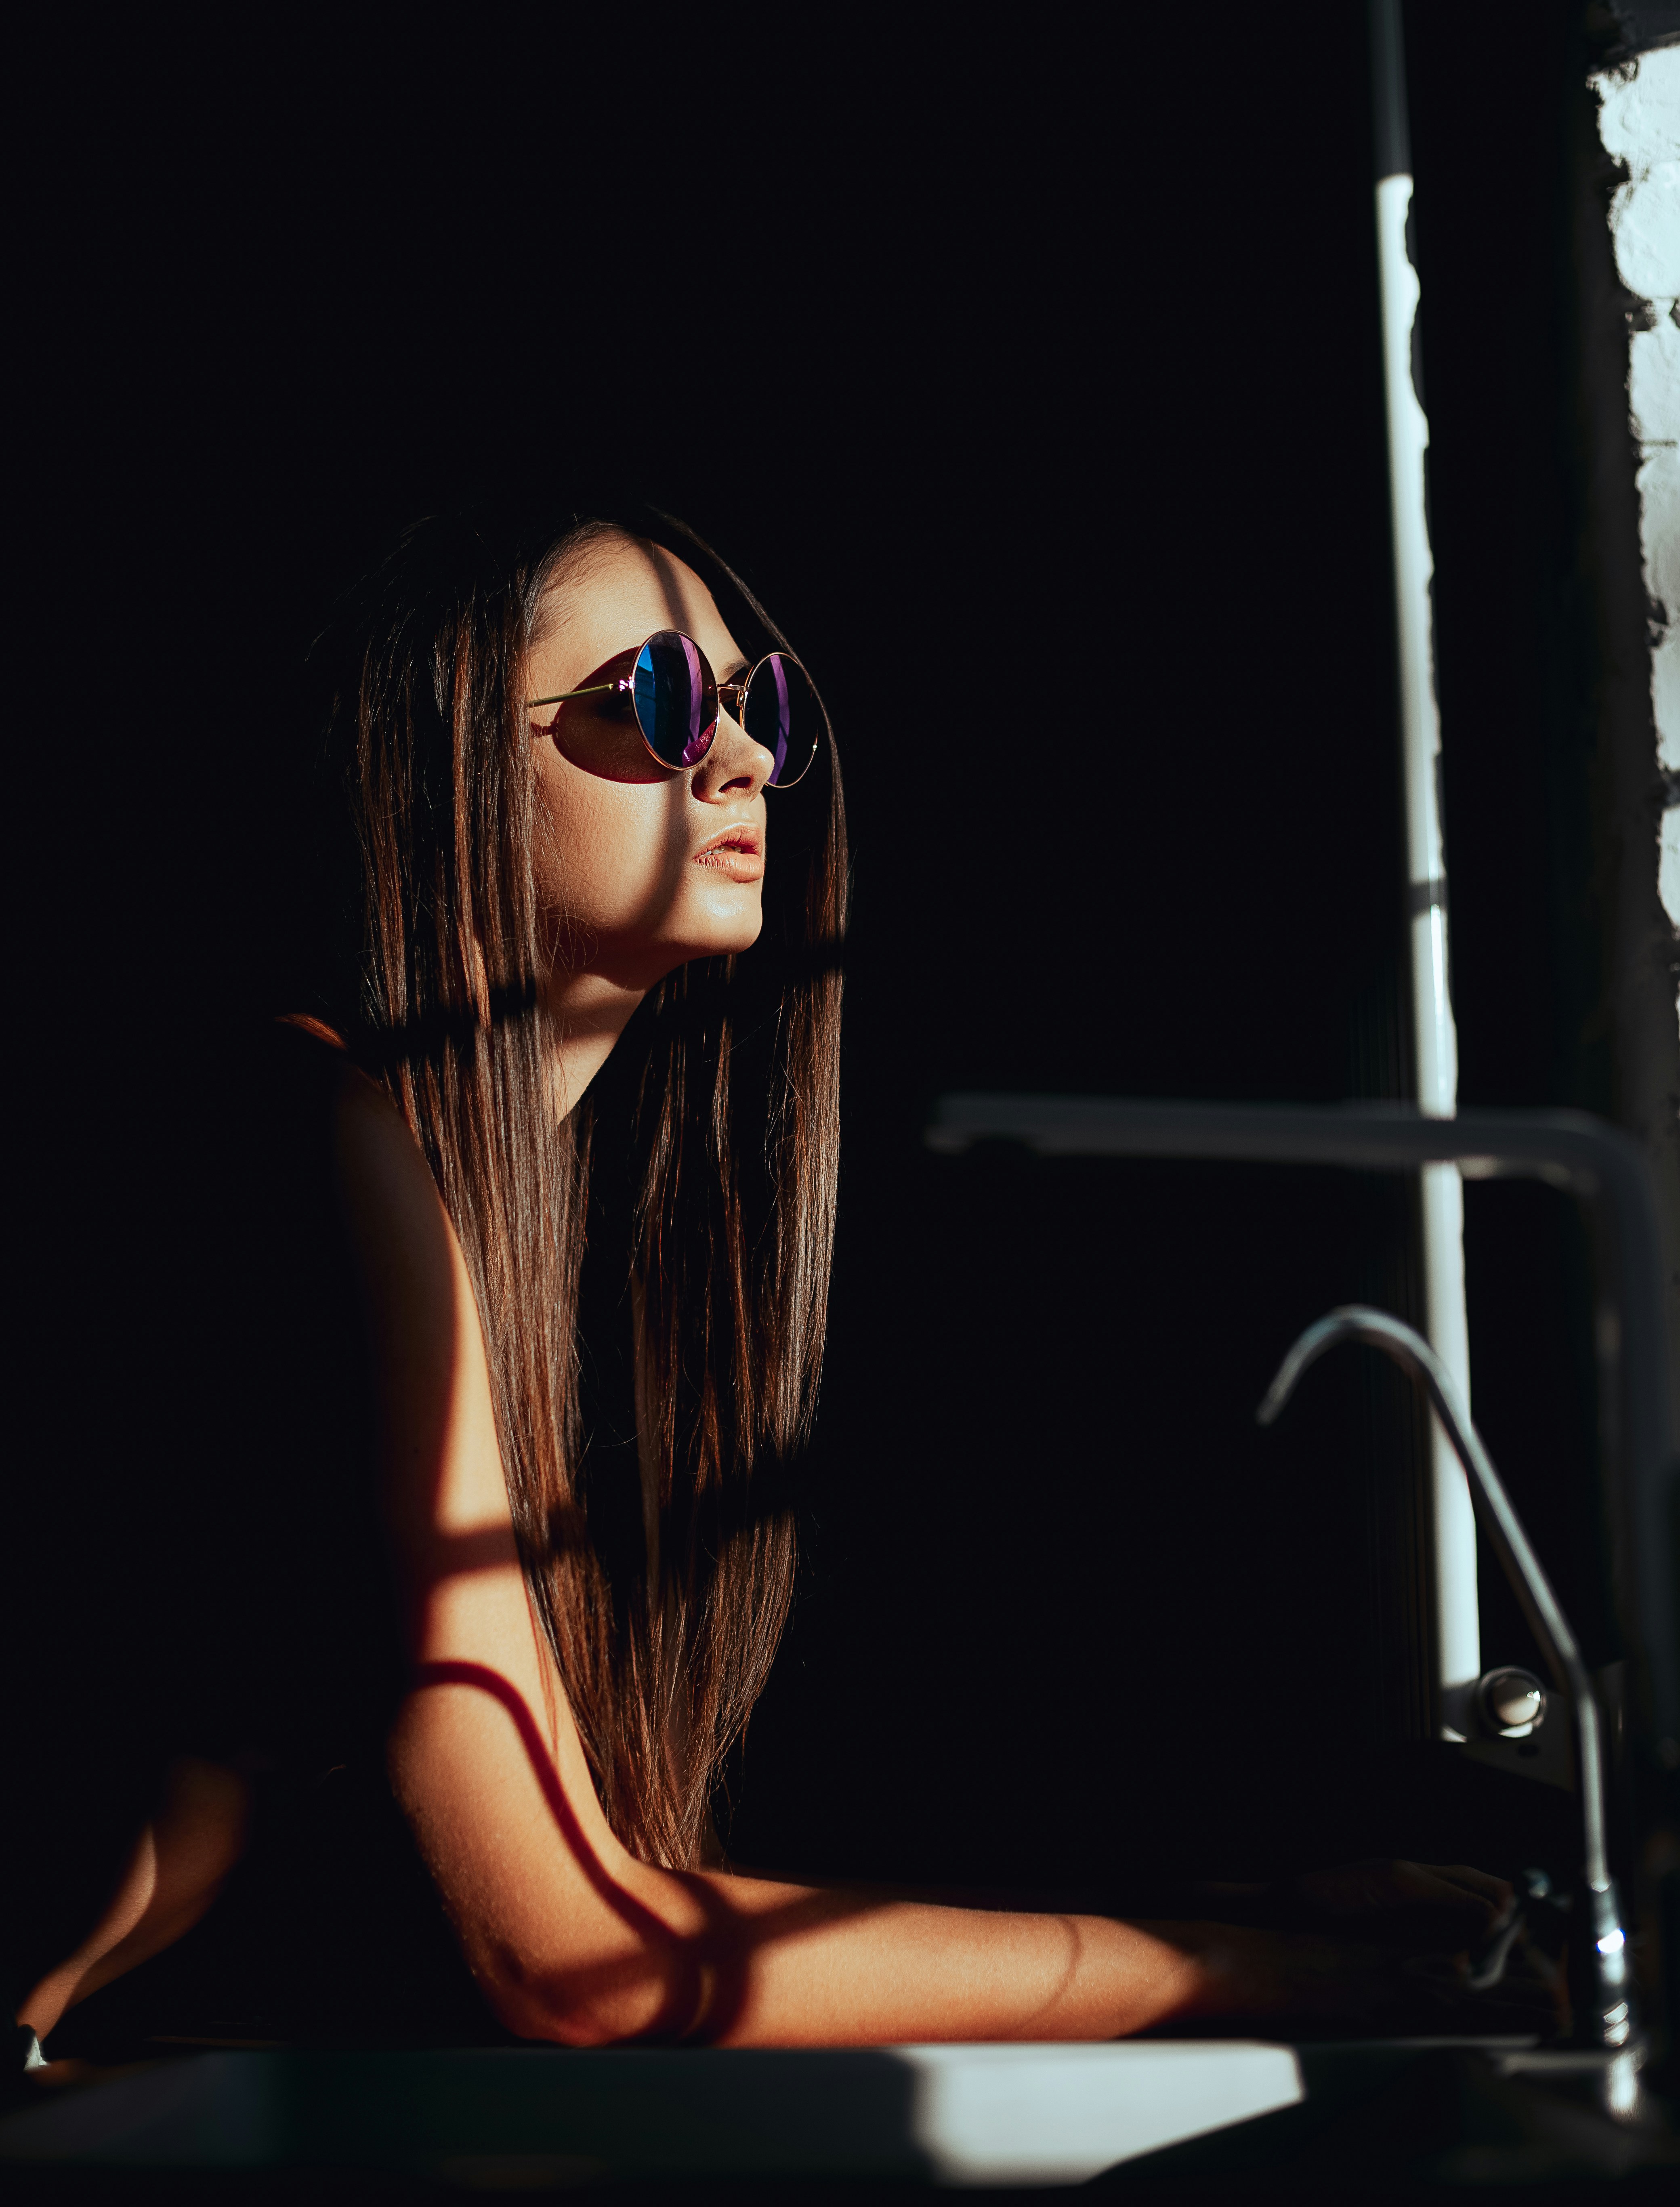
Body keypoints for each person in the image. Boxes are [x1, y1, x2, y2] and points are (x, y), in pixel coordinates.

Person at [17, 507, 1545, 2055]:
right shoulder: (308, 1124)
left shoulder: (425, 1190)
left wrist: (1249, 1923)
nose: (744, 757)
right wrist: (1246, 1979)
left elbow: (578, 1909)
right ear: (441, 763)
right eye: (666, 696)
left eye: (764, 706)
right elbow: (574, 1964)